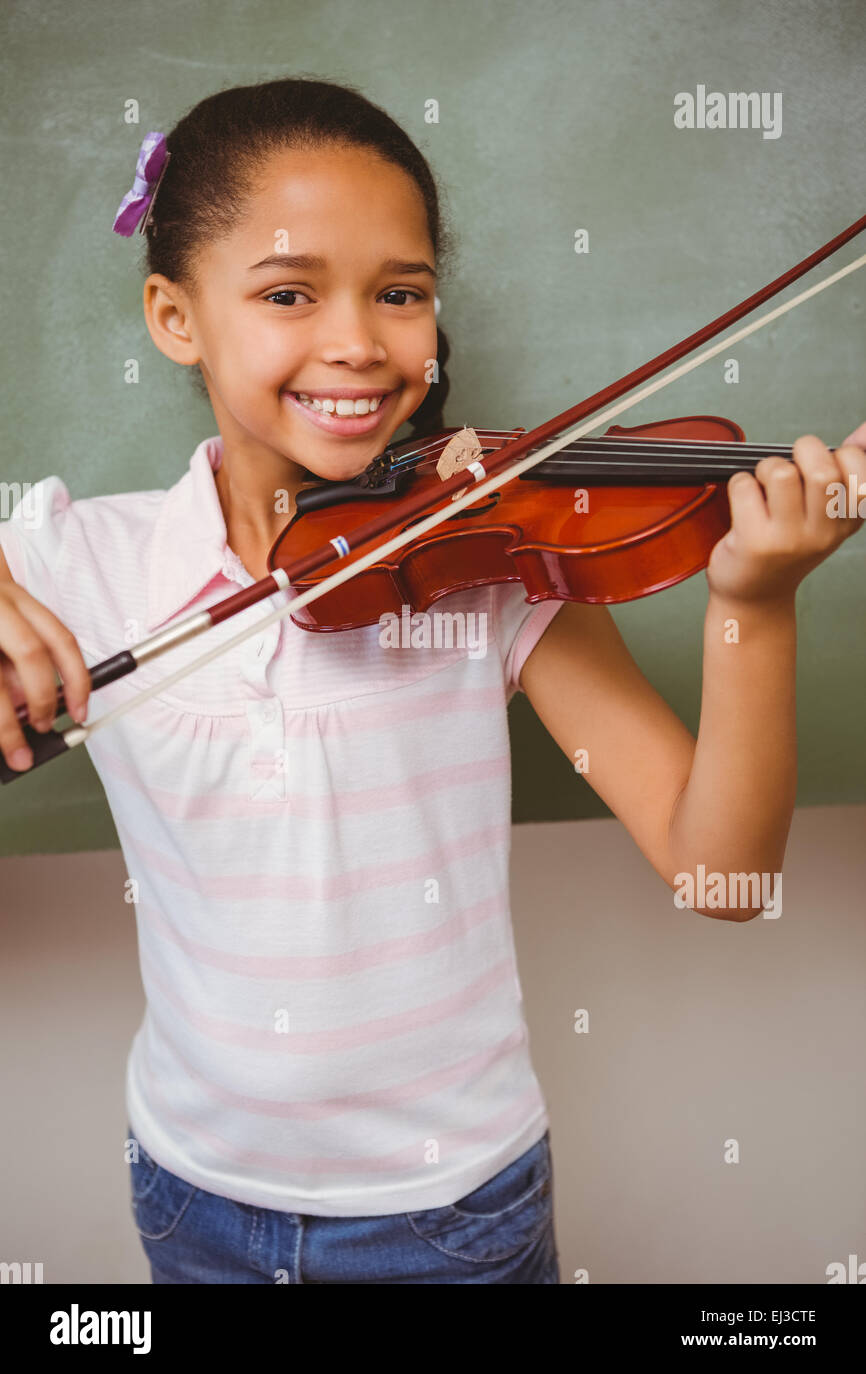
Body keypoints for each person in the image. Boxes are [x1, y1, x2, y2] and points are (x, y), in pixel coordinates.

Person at [0, 77, 862, 1285]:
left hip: (449, 1212)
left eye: (398, 293)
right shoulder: (79, 559)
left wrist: (754, 602)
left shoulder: (493, 565)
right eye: (289, 293)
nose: (358, 340)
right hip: (191, 1190)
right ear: (173, 315)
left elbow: (719, 871)